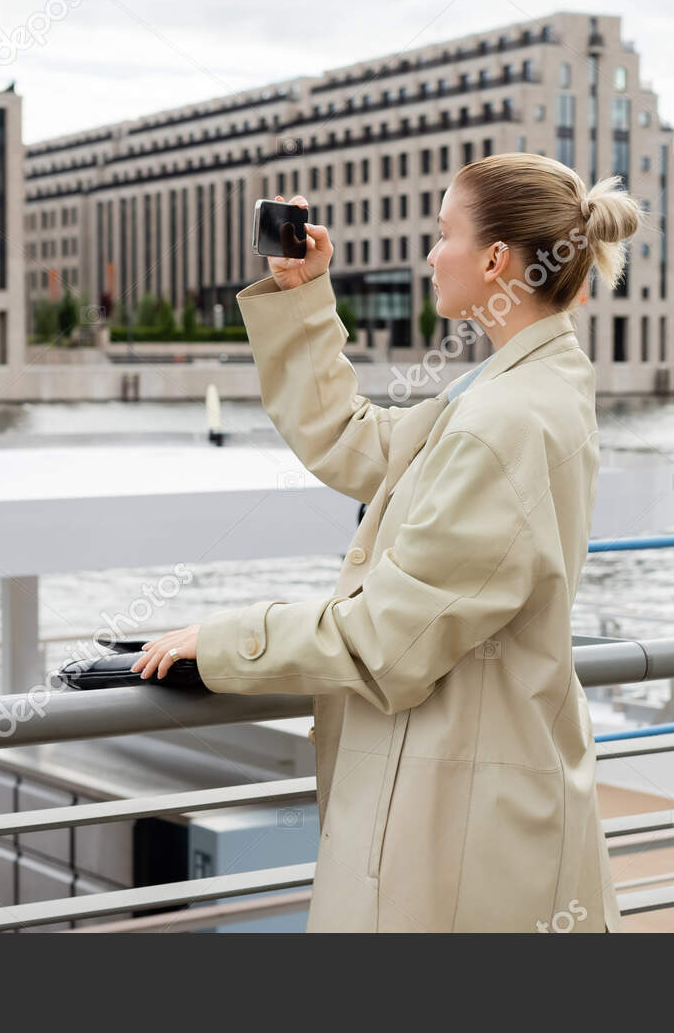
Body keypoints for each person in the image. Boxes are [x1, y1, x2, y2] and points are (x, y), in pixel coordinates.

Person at [134, 152, 642, 932]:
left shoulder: (503, 417)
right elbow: (361, 444)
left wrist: (224, 641)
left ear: (497, 259)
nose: (431, 254)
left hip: (457, 822)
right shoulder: (519, 387)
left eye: (444, 233)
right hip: (482, 796)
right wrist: (304, 299)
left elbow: (386, 638)